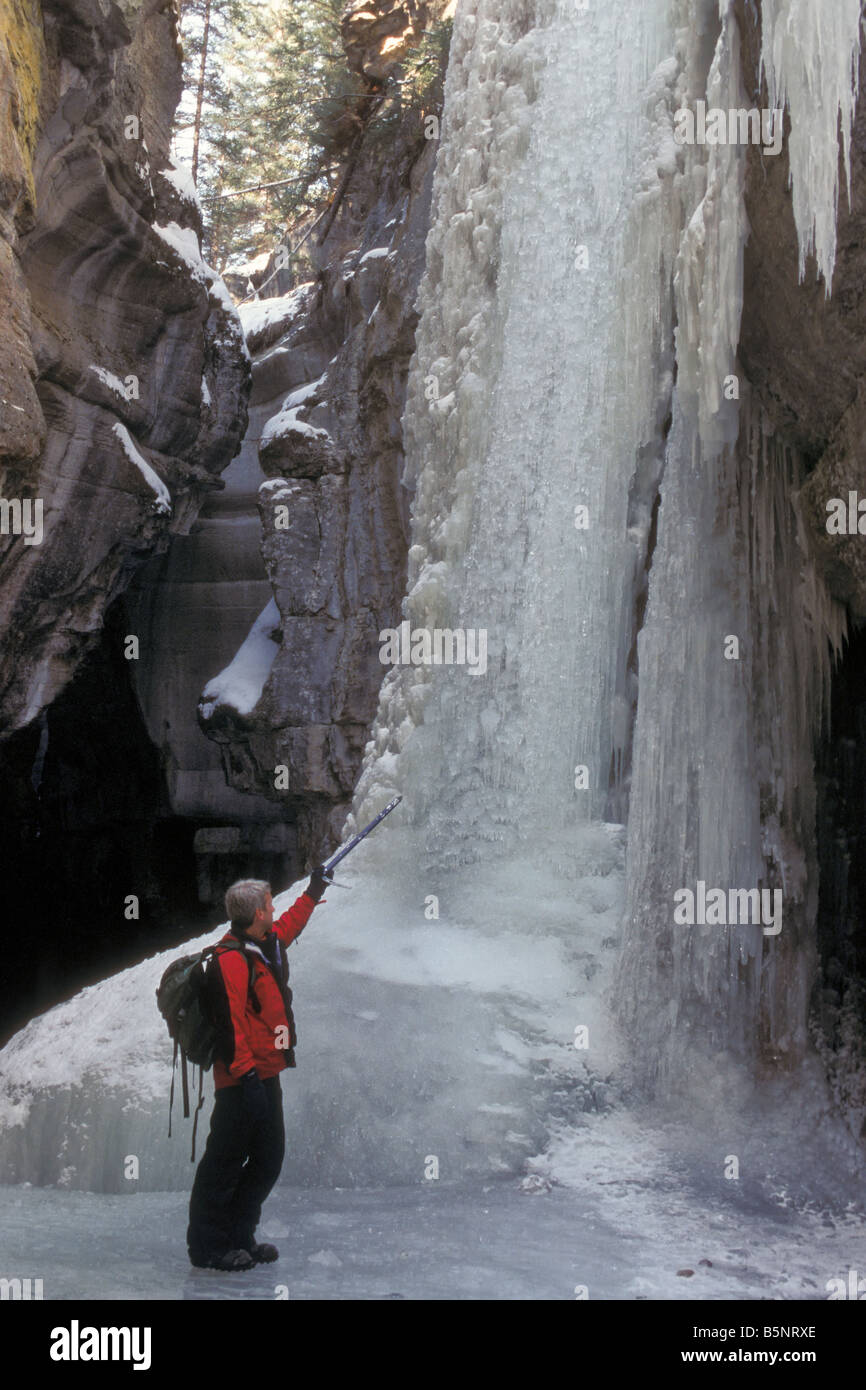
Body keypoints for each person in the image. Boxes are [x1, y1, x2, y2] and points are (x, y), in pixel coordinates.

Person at [187, 868, 328, 1271]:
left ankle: (239, 1236)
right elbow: (231, 1024)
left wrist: (315, 891)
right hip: (240, 1079)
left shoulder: (265, 944)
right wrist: (246, 1076)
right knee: (224, 1162)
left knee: (268, 1158)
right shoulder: (231, 959)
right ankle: (208, 1248)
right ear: (256, 914)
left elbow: (291, 924)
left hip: (266, 1073)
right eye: (268, 904)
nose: (273, 909)